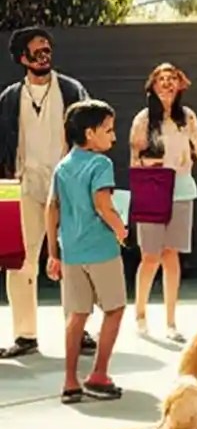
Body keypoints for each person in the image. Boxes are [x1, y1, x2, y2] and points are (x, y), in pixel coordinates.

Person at [0, 27, 98, 360]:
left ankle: (78, 328)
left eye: (47, 49)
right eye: (37, 51)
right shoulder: (10, 98)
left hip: (66, 186)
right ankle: (25, 335)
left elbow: (91, 135)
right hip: (24, 184)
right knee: (21, 261)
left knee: (74, 258)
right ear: (22, 58)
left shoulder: (72, 90)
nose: (44, 55)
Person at [45, 99, 127, 403]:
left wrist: (53, 252)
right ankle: (98, 374)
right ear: (90, 133)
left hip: (71, 252)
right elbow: (102, 204)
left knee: (76, 316)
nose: (114, 137)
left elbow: (52, 209)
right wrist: (121, 230)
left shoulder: (63, 166)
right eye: (109, 130)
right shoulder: (101, 164)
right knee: (115, 309)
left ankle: (69, 381)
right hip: (101, 249)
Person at [129, 63, 197, 343]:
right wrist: (146, 163)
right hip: (153, 190)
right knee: (150, 255)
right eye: (161, 79)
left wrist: (194, 146)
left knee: (171, 254)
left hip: (182, 189)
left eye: (172, 79)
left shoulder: (187, 116)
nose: (167, 84)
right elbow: (134, 159)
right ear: (152, 86)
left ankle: (171, 321)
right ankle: (140, 314)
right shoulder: (142, 119)